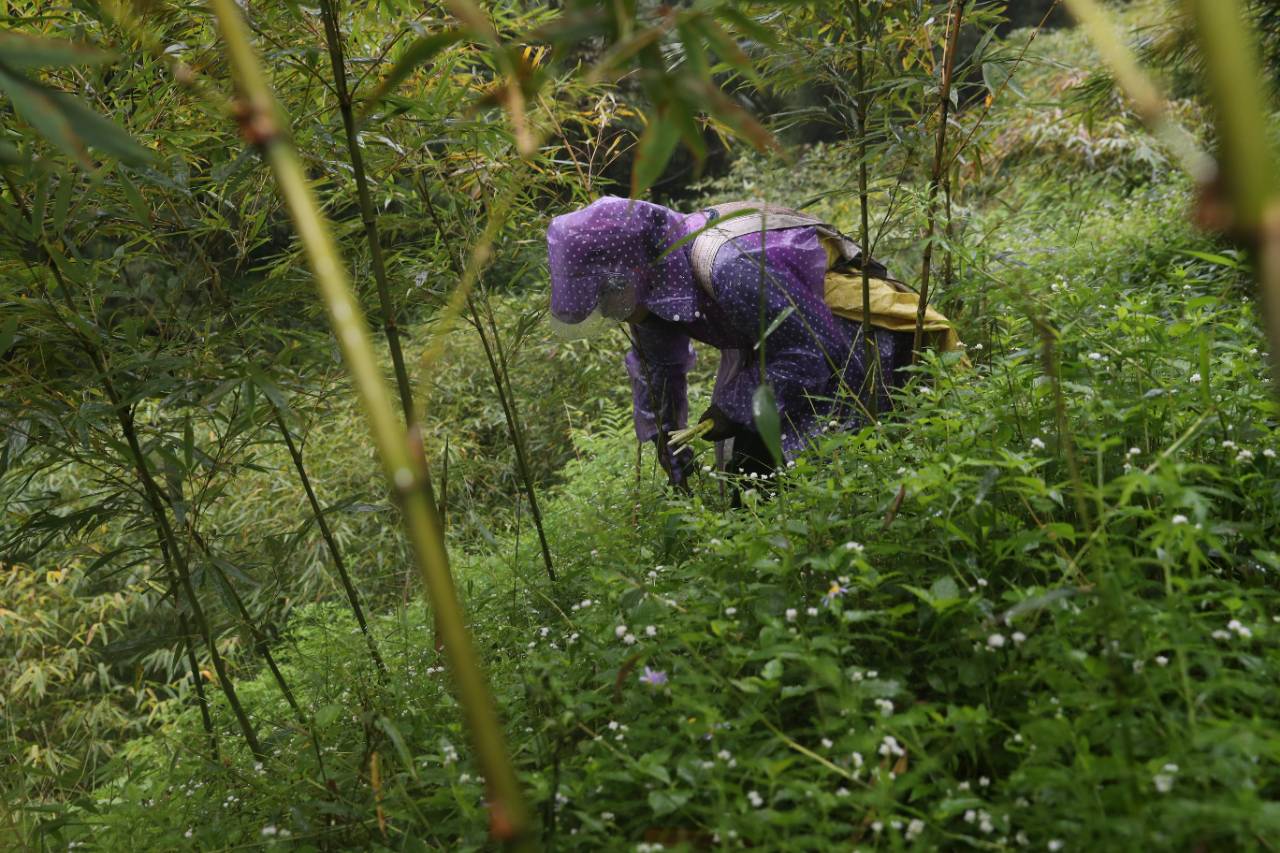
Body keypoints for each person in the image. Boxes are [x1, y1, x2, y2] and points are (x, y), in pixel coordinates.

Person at [546, 196, 954, 492]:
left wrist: (731, 408)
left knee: (829, 477)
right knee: (751, 479)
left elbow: (810, 352)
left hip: (850, 339)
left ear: (635, 269)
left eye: (609, 295)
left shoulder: (731, 266)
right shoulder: (654, 290)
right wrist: (668, 447)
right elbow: (659, 370)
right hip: (787, 354)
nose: (613, 310)